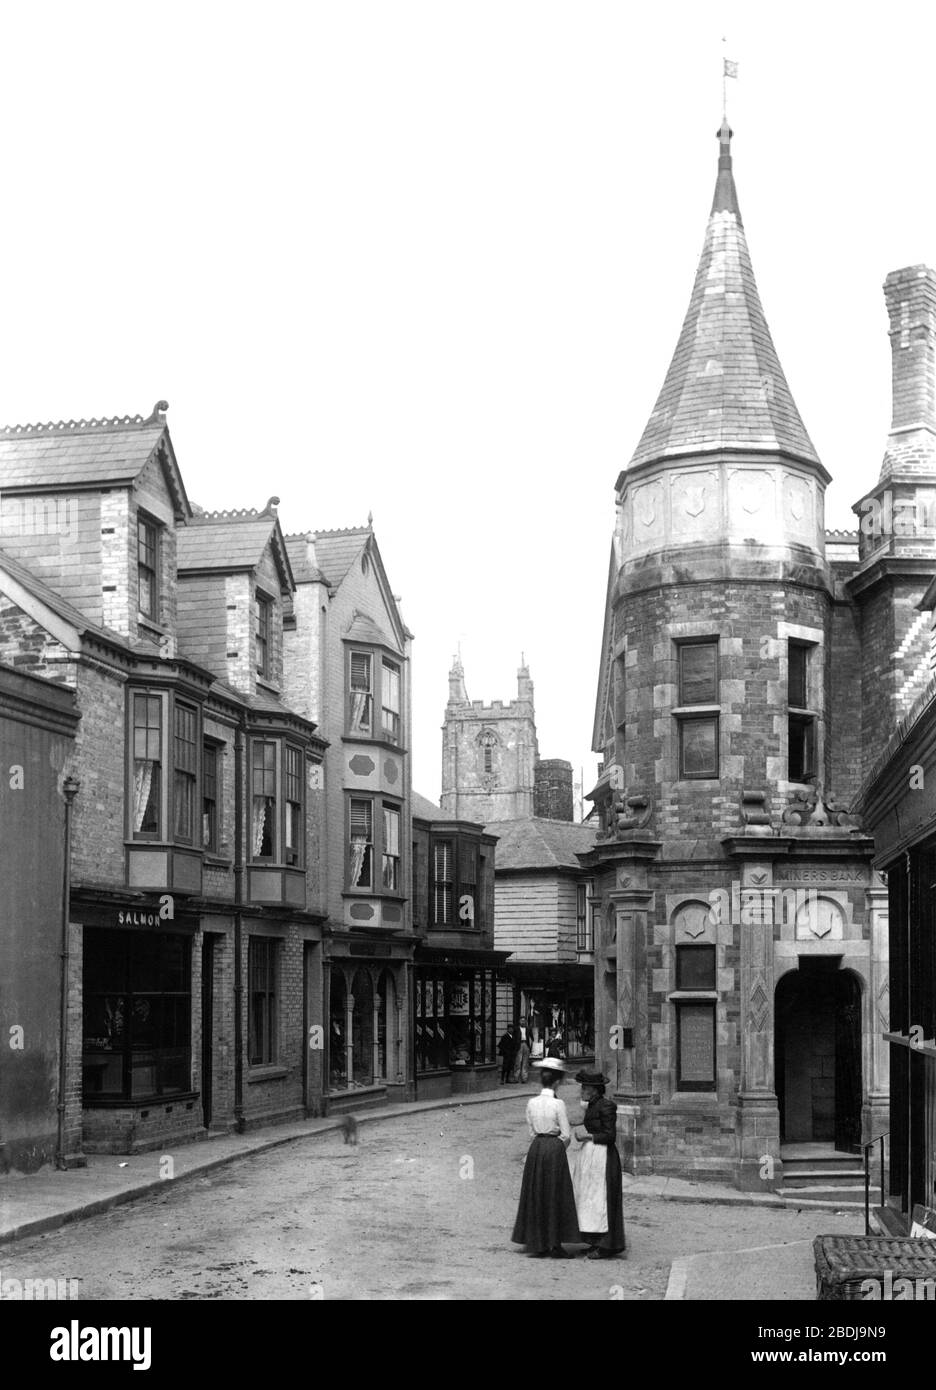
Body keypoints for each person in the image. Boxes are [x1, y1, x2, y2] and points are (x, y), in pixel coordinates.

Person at [511, 1057, 581, 1258]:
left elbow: (531, 1131)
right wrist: (558, 1148)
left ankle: (537, 1241)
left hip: (536, 1148)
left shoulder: (532, 1102)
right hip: (554, 1148)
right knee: (555, 1194)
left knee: (536, 1192)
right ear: (557, 1081)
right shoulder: (558, 1104)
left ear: (542, 1080)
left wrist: (540, 1144)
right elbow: (566, 1134)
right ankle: (554, 1243)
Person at [570, 1069, 626, 1258]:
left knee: (600, 1199)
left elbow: (610, 1136)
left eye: (585, 1087)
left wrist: (588, 1136)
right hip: (591, 1155)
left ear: (595, 1089)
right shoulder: (591, 1105)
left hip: (602, 1156)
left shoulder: (607, 1106)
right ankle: (593, 1240)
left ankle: (605, 1245)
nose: (582, 1091)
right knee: (588, 1198)